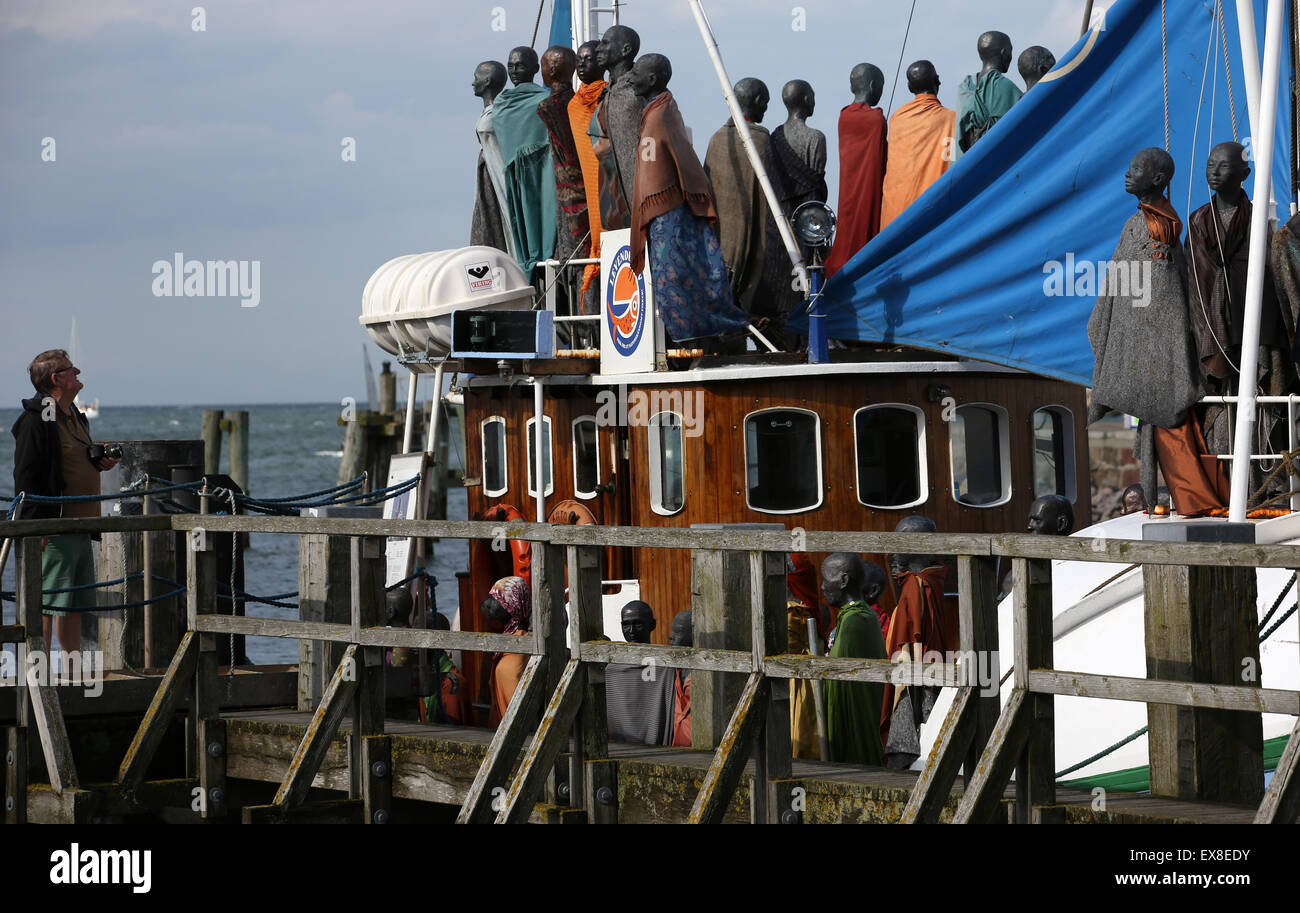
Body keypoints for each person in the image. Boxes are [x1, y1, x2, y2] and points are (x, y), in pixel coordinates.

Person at [11, 349, 120, 654]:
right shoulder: (37, 420)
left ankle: (71, 677)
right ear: (56, 379)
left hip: (81, 526)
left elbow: (70, 460)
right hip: (54, 529)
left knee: (73, 605)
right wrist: (38, 526)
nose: (78, 373)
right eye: (72, 370)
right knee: (47, 606)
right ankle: (40, 682)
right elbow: (26, 475)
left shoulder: (74, 417)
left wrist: (97, 461)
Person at [881, 516, 949, 769]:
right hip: (926, 668)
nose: (894, 546)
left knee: (904, 740)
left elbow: (911, 640)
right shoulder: (929, 580)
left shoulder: (917, 585)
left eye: (900, 539)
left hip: (913, 678)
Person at [821, 553, 889, 765]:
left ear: (843, 581)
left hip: (855, 728)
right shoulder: (862, 616)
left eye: (826, 579)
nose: (823, 587)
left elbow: (844, 688)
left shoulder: (855, 621)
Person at [605, 599, 676, 745]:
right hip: (619, 747)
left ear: (652, 625)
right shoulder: (610, 668)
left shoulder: (668, 664)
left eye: (638, 624)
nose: (631, 631)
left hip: (658, 750)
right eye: (626, 625)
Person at [480, 576, 531, 725]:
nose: (488, 604)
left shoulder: (523, 648)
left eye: (496, 599)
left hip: (516, 736)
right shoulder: (506, 641)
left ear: (512, 604)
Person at [668, 609, 692, 747]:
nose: (671, 636)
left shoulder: (710, 675)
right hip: (675, 749)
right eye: (673, 631)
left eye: (678, 632)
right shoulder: (672, 670)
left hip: (703, 750)